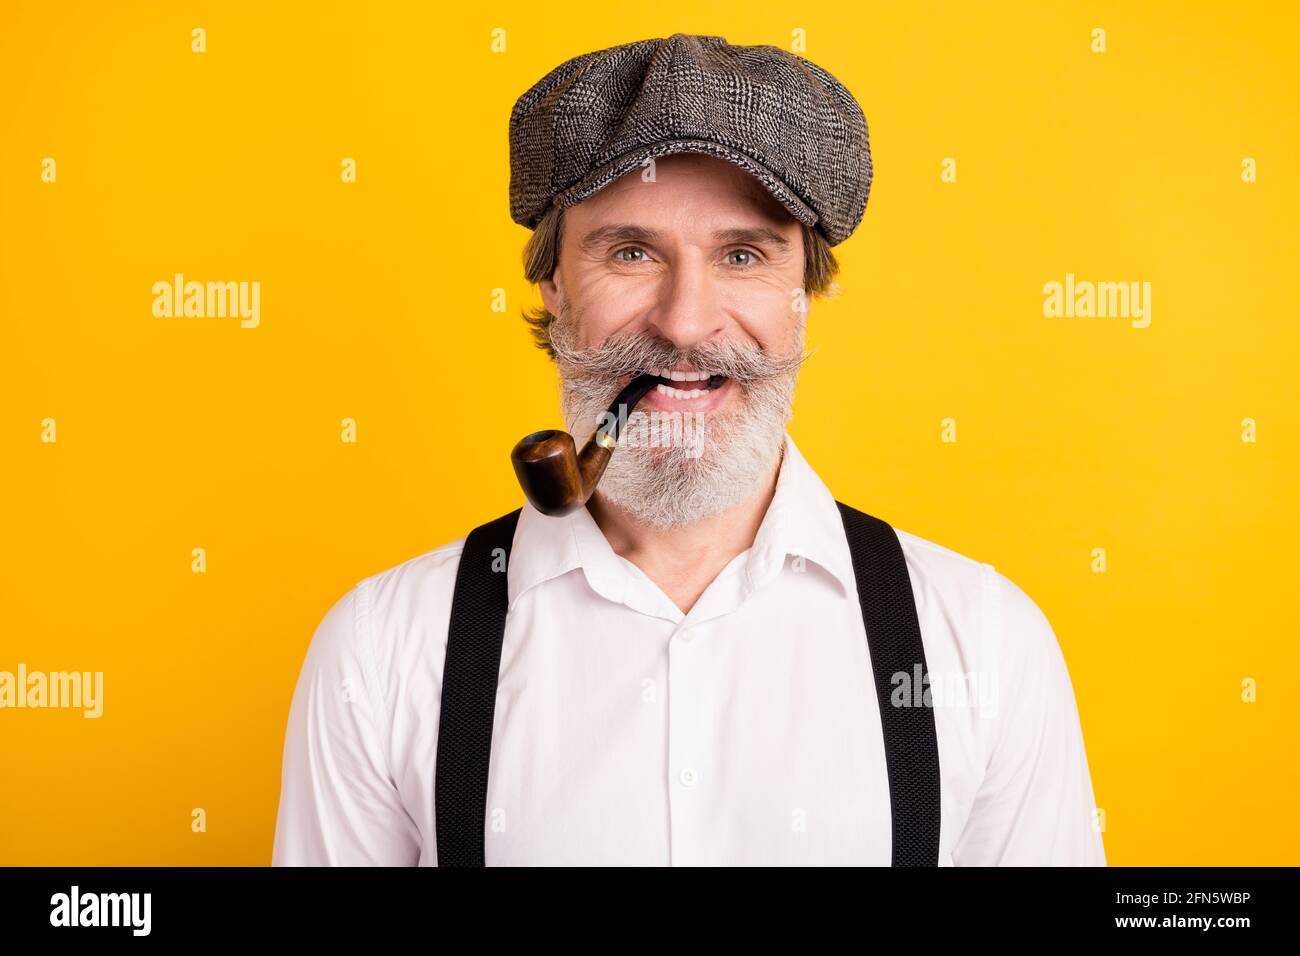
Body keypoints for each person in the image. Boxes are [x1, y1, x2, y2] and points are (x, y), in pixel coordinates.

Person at [272, 33, 1105, 866]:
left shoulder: (982, 643)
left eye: (743, 255)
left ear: (806, 295)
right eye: (632, 253)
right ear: (553, 285)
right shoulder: (383, 652)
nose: (684, 323)